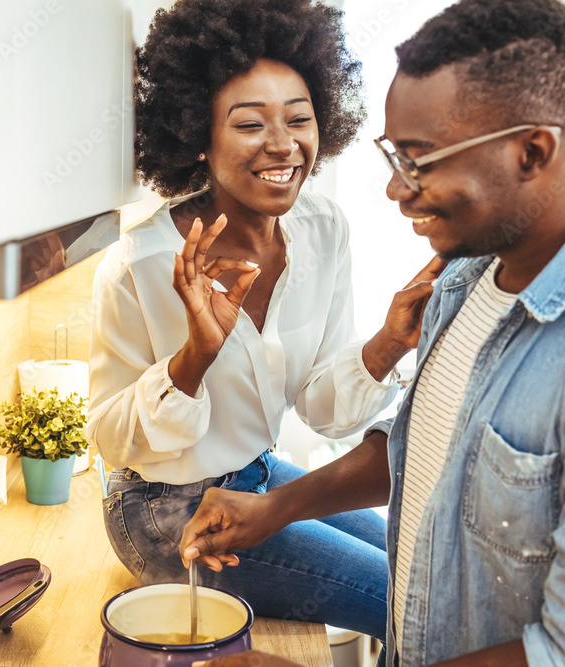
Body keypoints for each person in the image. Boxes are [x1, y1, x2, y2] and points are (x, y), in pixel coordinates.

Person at [180, 0, 565, 665]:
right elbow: (423, 447)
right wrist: (279, 506)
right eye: (391, 156)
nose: (395, 192)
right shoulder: (464, 275)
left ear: (532, 151)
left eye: (420, 159)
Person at [86, 0, 443, 641]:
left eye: (299, 119)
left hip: (255, 475)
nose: (283, 145)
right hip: (161, 511)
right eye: (250, 124)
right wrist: (195, 354)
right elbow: (113, 441)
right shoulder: (136, 264)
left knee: (424, 559)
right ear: (198, 133)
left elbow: (321, 406)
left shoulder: (322, 228)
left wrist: (387, 344)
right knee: (407, 602)